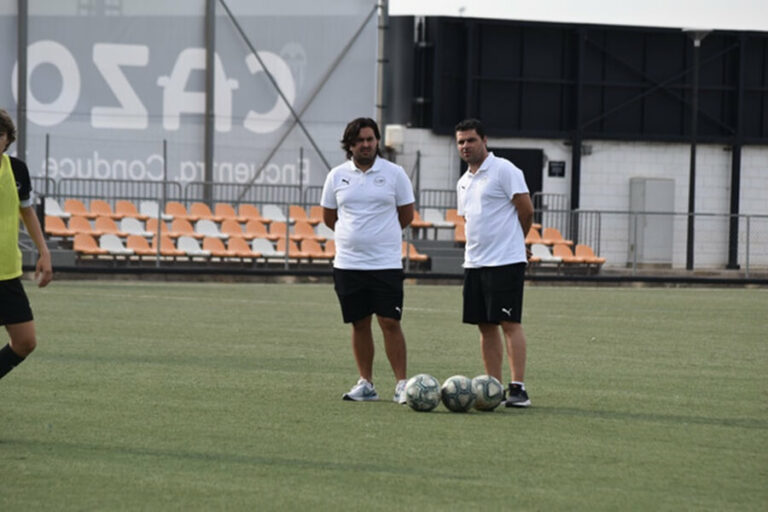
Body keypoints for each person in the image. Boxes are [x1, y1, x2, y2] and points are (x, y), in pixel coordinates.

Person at [321, 117, 415, 403]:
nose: (366, 144)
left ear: (377, 142)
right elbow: (329, 217)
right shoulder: (336, 176)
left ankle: (401, 384)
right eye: (360, 140)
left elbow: (406, 215)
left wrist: (379, 237)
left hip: (385, 263)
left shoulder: (395, 174)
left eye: (370, 139)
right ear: (349, 145)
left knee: (389, 321)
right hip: (348, 264)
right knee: (359, 323)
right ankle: (366, 383)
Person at [454, 118, 534, 407]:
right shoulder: (463, 182)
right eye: (461, 142)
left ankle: (518, 388)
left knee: (509, 322)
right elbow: (469, 220)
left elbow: (526, 210)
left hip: (505, 261)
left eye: (471, 140)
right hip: (475, 262)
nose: (465, 146)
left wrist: (517, 242)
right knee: (485, 325)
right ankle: (493, 388)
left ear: (484, 140)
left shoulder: (504, 169)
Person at [0, 108, 53, 381]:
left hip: (7, 272)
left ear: (8, 138)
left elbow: (27, 211)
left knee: (25, 342)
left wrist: (44, 251)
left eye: (0, 135)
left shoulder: (17, 170)